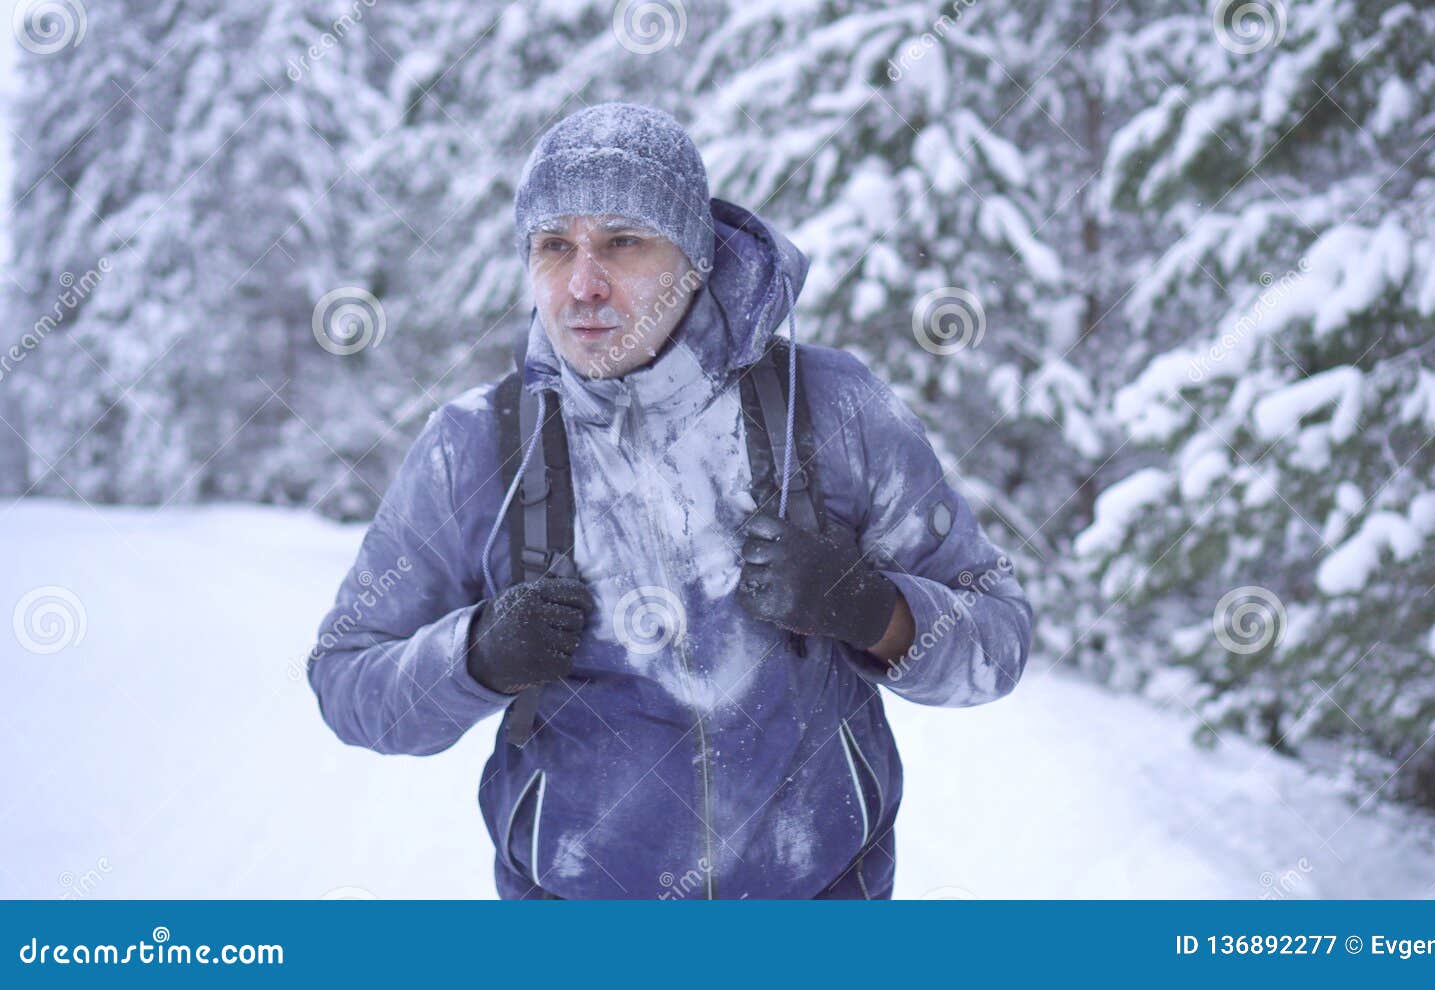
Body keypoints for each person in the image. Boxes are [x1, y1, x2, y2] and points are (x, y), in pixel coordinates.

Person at [306, 102, 1032, 899]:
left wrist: (875, 612)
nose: (583, 285)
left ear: (695, 258)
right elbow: (347, 681)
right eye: (554, 247)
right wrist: (476, 655)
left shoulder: (833, 407)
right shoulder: (477, 446)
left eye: (623, 241)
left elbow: (998, 638)